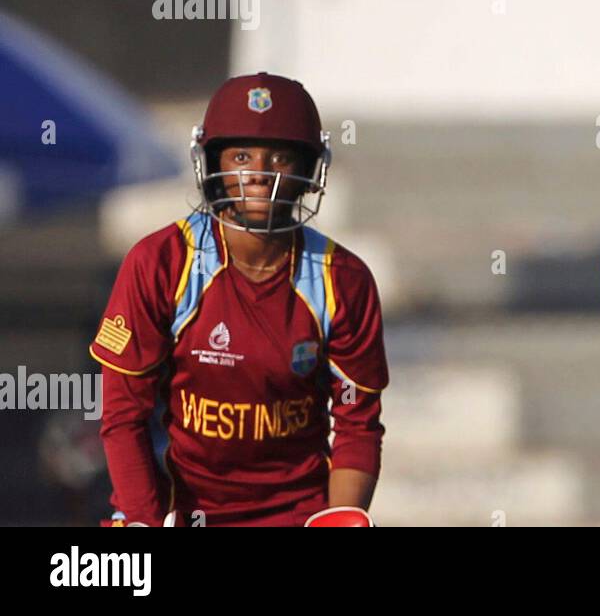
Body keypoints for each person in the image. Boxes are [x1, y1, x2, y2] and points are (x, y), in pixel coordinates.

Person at [90, 72, 387, 526]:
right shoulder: (161, 263)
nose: (259, 172)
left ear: (309, 169)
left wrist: (340, 517)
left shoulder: (343, 280)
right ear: (211, 162)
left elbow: (357, 422)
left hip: (295, 513)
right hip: (178, 509)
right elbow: (123, 414)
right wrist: (143, 520)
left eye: (281, 157)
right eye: (242, 155)